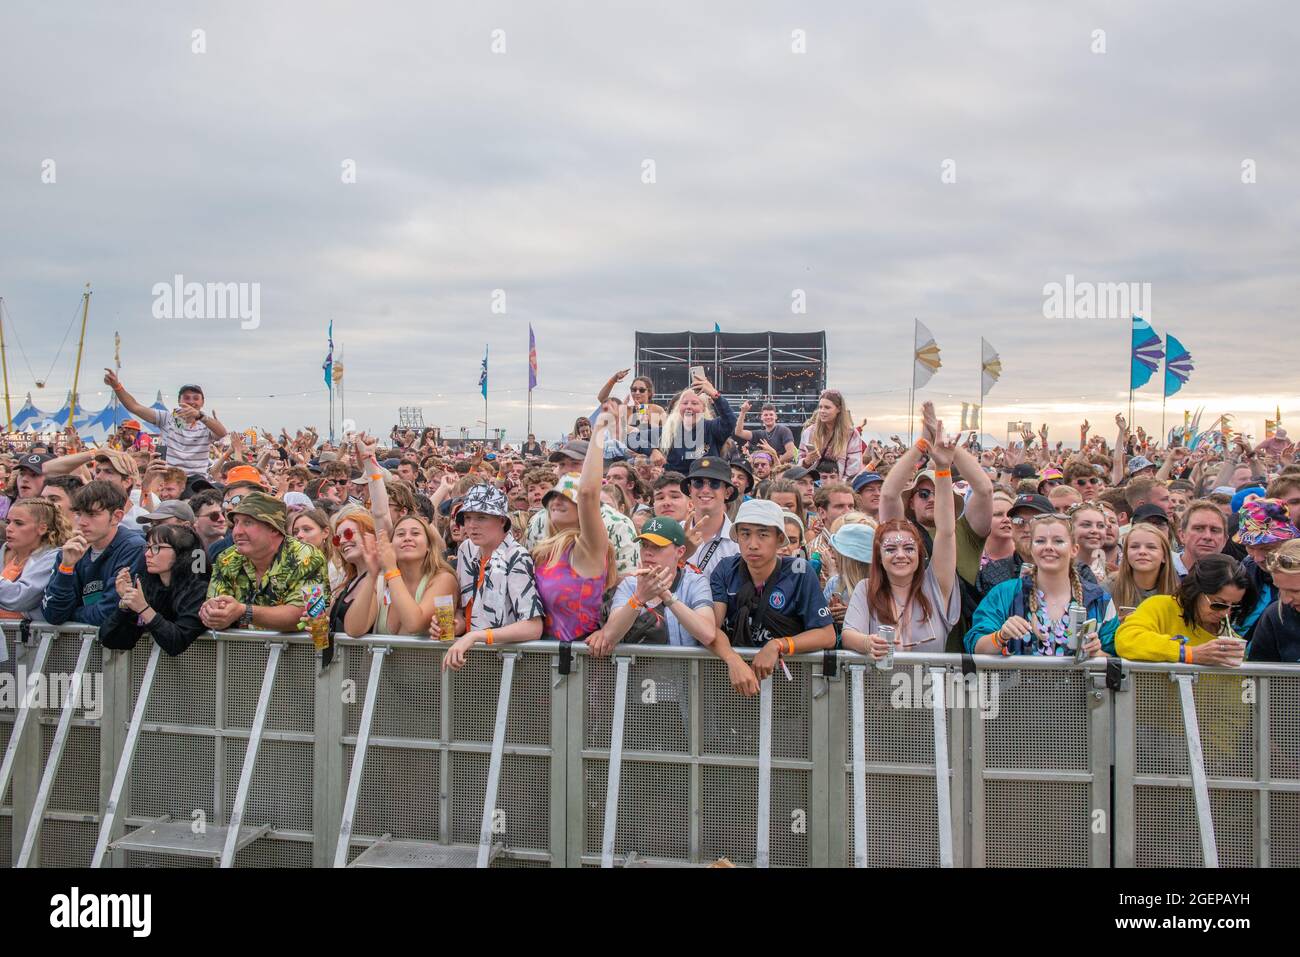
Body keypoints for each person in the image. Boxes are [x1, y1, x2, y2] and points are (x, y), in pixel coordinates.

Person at [842, 432, 960, 658]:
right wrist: (866, 642)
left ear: (919, 553)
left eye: (908, 548)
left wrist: (943, 469)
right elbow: (849, 634)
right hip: (877, 692)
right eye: (890, 549)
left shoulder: (935, 588)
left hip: (930, 693)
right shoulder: (867, 590)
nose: (900, 555)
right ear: (878, 556)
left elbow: (946, 531)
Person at [708, 499, 835, 696]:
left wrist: (778, 645)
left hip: (788, 688)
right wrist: (733, 659)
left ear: (778, 539)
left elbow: (827, 635)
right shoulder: (725, 570)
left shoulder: (800, 572)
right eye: (745, 534)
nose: (753, 544)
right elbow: (711, 629)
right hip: (733, 684)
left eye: (763, 534)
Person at [966, 512, 1117, 657]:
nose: (1048, 547)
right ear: (1031, 549)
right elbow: (976, 647)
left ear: (1074, 549)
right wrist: (1001, 636)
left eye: (1058, 541)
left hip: (1081, 684)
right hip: (1018, 684)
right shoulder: (1004, 593)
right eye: (1040, 541)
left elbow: (1116, 659)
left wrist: (1096, 654)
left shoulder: (1098, 599)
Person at [441, 484, 544, 670]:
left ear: (502, 520)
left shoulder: (516, 556)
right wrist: (457, 624)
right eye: (468, 517)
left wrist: (476, 637)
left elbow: (533, 627)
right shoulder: (466, 549)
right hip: (468, 661)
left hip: (509, 665)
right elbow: (466, 609)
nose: (472, 525)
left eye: (482, 517)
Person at [532, 415, 616, 644]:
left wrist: (598, 428)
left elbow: (588, 493)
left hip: (581, 663)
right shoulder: (543, 549)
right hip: (539, 659)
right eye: (555, 496)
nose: (558, 501)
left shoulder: (587, 548)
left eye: (568, 498)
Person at [203, 491, 330, 634]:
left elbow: (305, 614)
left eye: (248, 522)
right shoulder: (227, 558)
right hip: (239, 653)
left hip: (294, 653)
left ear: (273, 528)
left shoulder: (307, 556)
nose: (237, 531)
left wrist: (243, 611)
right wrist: (213, 614)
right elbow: (216, 608)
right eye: (236, 522)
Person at [591, 516, 717, 652]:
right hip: (638, 671)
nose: (648, 552)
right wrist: (638, 599)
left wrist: (667, 597)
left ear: (680, 551)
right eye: (644, 545)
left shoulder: (695, 582)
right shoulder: (630, 584)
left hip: (683, 671)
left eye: (657, 547)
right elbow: (610, 635)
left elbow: (708, 634)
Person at [1115, 553, 1253, 665]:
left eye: (1234, 606)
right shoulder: (1161, 607)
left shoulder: (1230, 637)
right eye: (1219, 604)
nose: (1225, 613)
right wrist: (1188, 654)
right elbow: (1127, 641)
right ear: (1196, 590)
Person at [42, 481, 146, 627]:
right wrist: (66, 568)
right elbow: (54, 615)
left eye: (92, 514)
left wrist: (71, 615)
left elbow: (107, 615)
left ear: (117, 517)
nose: (82, 522)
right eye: (78, 513)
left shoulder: (132, 548)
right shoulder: (70, 551)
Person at [100, 524, 210, 656]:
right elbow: (111, 640)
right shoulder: (149, 586)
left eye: (156, 548)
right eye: (147, 547)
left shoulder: (199, 590)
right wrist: (126, 604)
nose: (147, 554)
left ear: (181, 552)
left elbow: (176, 642)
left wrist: (143, 608)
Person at [102, 372, 227, 475]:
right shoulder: (167, 418)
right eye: (186, 398)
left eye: (195, 398)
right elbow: (134, 407)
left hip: (196, 479)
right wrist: (117, 386)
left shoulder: (206, 423)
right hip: (169, 477)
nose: (191, 402)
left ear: (202, 402)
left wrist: (200, 416)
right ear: (179, 401)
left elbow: (222, 433)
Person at [375, 515, 458, 636]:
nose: (407, 538)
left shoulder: (444, 579)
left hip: (431, 655)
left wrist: (391, 569)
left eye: (415, 533)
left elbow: (414, 624)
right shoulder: (381, 581)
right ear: (391, 544)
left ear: (428, 545)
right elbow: (354, 630)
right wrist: (371, 574)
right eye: (400, 534)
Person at [1233, 498, 1299, 638]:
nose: (1258, 558)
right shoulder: (1244, 570)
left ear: (1289, 541)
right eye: (1250, 547)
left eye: (1267, 548)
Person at [651, 371, 736, 473]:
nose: (689, 406)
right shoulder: (669, 432)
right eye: (685, 403)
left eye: (694, 403)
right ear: (679, 408)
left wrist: (715, 394)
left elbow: (730, 420)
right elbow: (633, 438)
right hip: (677, 485)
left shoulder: (712, 428)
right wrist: (652, 451)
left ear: (703, 408)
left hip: (706, 484)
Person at [0, 497, 69, 623]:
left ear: (42, 528)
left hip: (33, 640)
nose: (9, 528)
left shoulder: (54, 557)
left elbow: (20, 598)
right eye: (8, 521)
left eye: (19, 523)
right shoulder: (5, 552)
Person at [680, 457, 740, 580]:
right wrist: (682, 556)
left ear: (727, 492)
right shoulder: (673, 533)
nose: (705, 490)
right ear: (690, 490)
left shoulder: (739, 540)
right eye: (698, 483)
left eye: (714, 483)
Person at [1105, 523, 1179, 618]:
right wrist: (1114, 626)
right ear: (1126, 553)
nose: (1142, 552)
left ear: (1164, 556)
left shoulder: (1177, 592)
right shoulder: (1108, 587)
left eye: (1151, 547)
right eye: (1134, 547)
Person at [1248, 541, 1300, 662]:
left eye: (1295, 591)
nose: (1286, 600)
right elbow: (1258, 675)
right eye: (1280, 589)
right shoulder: (1275, 616)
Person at [798, 390, 866, 480]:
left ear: (838, 409)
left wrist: (840, 488)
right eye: (820, 407)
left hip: (840, 487)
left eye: (827, 407)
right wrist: (806, 461)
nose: (822, 411)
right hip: (813, 486)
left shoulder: (851, 434)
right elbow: (799, 463)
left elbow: (853, 468)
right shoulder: (809, 432)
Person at [291, 507, 347, 591]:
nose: (299, 535)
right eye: (295, 532)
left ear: (325, 532)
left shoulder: (338, 568)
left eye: (306, 529)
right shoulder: (289, 566)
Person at [1173, 500, 1227, 577]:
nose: (1207, 536)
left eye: (1215, 530)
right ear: (1182, 535)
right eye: (1198, 528)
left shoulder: (1234, 577)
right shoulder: (1162, 571)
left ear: (1225, 540)